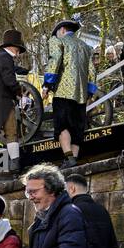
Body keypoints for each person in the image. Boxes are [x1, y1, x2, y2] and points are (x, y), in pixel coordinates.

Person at [43, 16, 97, 166]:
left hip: (63, 91)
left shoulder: (58, 41)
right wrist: (90, 91)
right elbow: (92, 71)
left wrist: (47, 84)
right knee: (77, 129)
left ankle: (69, 158)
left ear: (62, 30)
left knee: (62, 126)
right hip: (81, 95)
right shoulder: (86, 47)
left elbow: (55, 60)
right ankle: (73, 160)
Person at [0, 30, 28, 175]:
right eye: (19, 49)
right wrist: (20, 93)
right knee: (11, 132)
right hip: (3, 101)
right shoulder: (6, 58)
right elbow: (9, 80)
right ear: (15, 48)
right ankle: (15, 167)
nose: (19, 53)